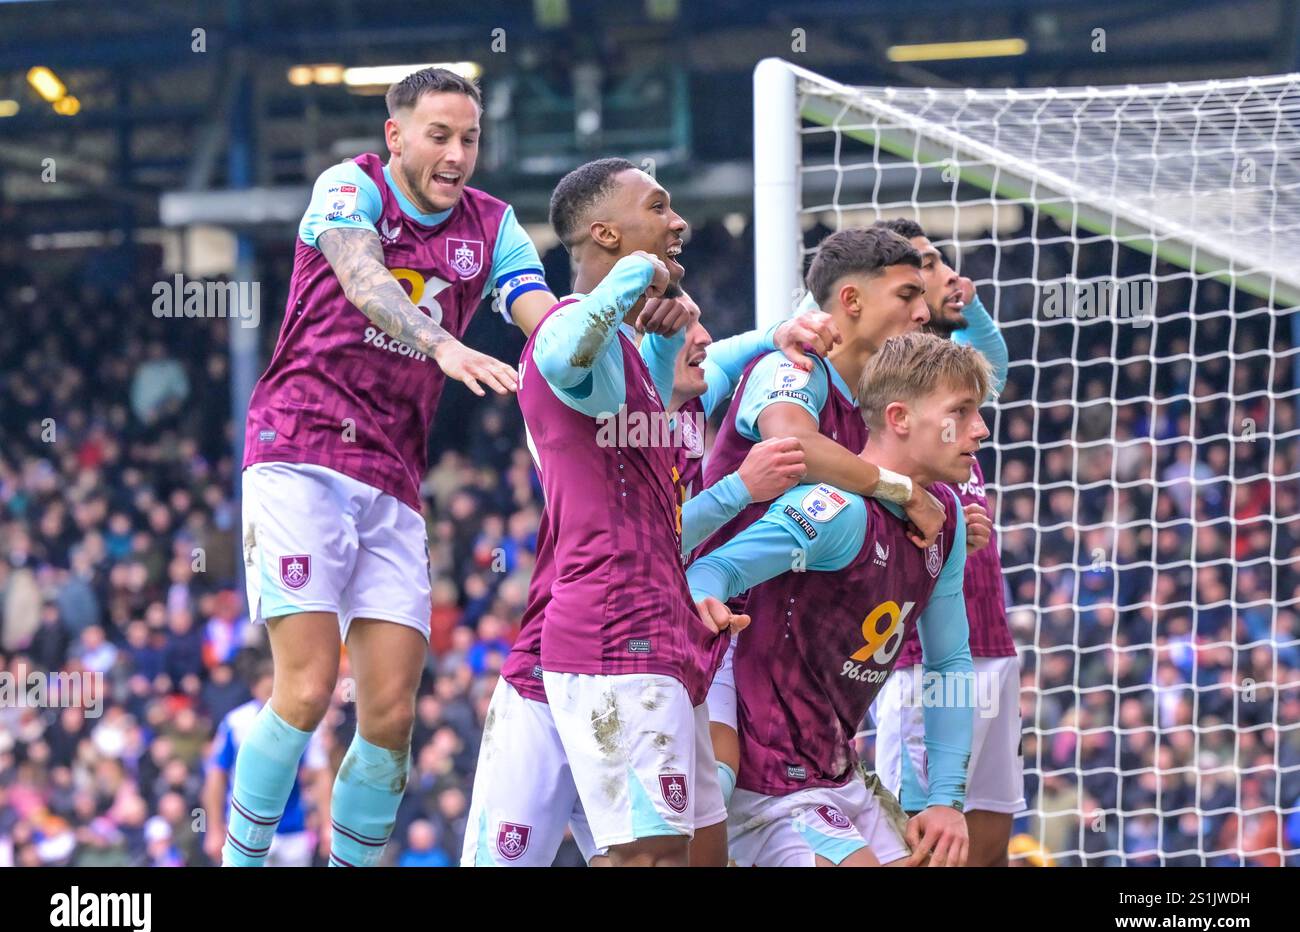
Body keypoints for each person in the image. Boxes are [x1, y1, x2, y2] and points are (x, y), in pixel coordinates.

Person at [229, 67, 561, 868]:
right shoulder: (350, 188)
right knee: (307, 690)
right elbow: (362, 274)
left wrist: (605, 332)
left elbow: (544, 322)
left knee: (388, 716)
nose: (456, 154)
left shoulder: (497, 226)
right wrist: (443, 340)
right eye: (439, 135)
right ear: (397, 136)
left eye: (470, 138)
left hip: (392, 477)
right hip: (298, 452)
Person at [462, 158, 831, 866]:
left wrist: (775, 333)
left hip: (634, 631)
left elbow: (709, 367)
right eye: (659, 207)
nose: (679, 222)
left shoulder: (651, 383)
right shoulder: (578, 342)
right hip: (594, 635)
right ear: (606, 232)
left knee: (681, 852)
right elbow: (565, 343)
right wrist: (642, 274)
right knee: (648, 854)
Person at [687, 332, 991, 866]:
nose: (980, 429)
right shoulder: (836, 512)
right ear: (898, 418)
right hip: (772, 783)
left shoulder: (943, 518)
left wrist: (945, 799)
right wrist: (707, 599)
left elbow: (948, 662)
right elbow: (714, 568)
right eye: (961, 411)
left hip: (838, 771)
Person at [868, 218, 1024, 867]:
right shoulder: (885, 387)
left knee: (988, 837)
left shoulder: (957, 395)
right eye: (929, 263)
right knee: (921, 843)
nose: (944, 273)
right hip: (915, 656)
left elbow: (998, 371)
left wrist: (974, 303)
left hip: (987, 640)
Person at [204, 657, 331, 866]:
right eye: (267, 691)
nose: (273, 699)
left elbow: (321, 774)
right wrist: (214, 828)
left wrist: (327, 824)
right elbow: (216, 778)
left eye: (278, 691)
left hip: (292, 828)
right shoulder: (236, 723)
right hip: (244, 827)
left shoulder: (306, 725)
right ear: (254, 689)